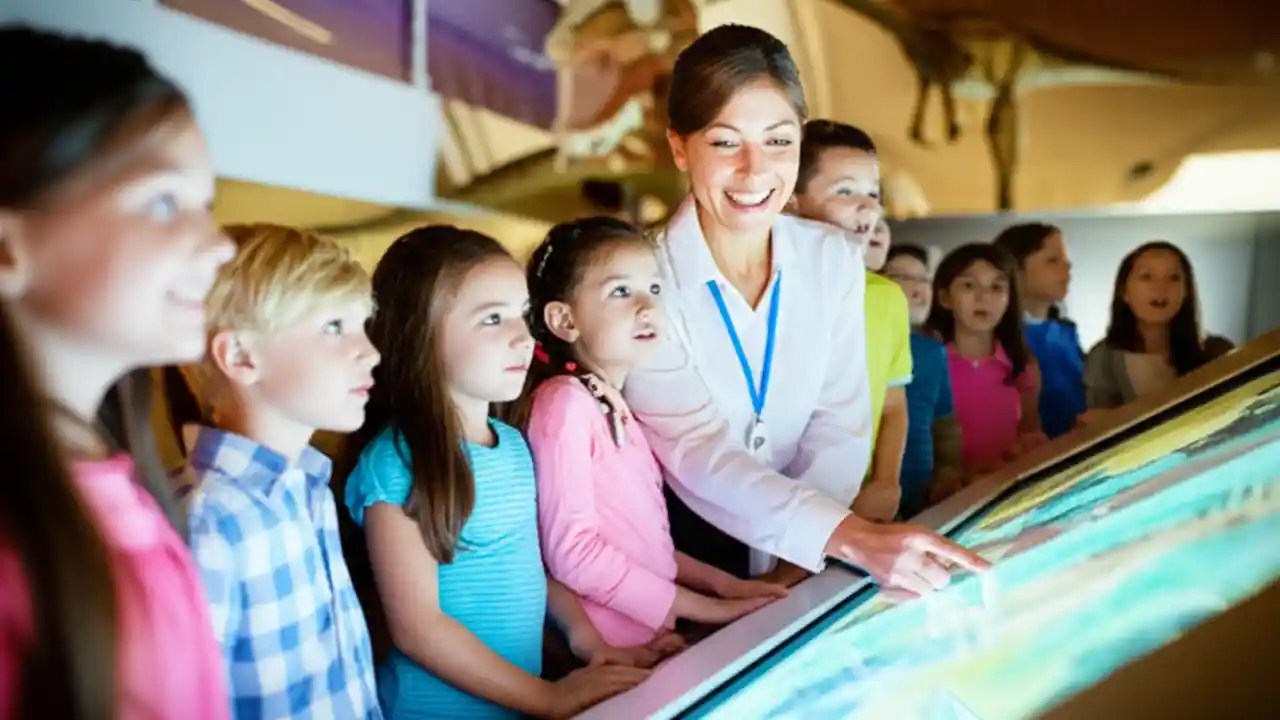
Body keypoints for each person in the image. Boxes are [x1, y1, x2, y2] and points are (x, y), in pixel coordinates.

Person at [622, 24, 989, 598]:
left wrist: (803, 562)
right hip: (690, 573)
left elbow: (841, 422)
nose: (755, 171)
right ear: (678, 147)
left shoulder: (832, 260)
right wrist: (846, 538)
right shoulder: (642, 281)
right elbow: (697, 450)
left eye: (778, 141)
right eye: (725, 143)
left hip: (816, 562)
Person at [0, 27, 231, 718]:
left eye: (206, 206)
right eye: (164, 202)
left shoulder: (115, 480)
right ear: (8, 249)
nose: (221, 245)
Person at [341, 227, 648, 719]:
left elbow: (526, 568)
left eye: (522, 314)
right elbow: (417, 628)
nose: (522, 337)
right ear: (420, 335)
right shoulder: (396, 463)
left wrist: (587, 640)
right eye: (491, 319)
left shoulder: (511, 444)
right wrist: (548, 698)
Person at [512, 217, 786, 651]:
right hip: (609, 650)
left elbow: (642, 547)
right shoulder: (564, 403)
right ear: (564, 319)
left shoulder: (610, 402)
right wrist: (705, 608)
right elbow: (573, 553)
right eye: (621, 291)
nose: (647, 307)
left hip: (647, 636)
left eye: (655, 288)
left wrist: (724, 586)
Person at [175, 224, 383, 717]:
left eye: (362, 326)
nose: (372, 353)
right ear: (241, 356)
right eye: (334, 326)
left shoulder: (307, 487)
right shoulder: (207, 522)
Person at [792, 120, 912, 525]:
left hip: (860, 504)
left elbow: (893, 402)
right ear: (792, 202)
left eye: (873, 194)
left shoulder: (886, 297)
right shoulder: (770, 296)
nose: (868, 207)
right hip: (780, 504)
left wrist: (886, 482)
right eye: (844, 191)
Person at [925, 244, 1046, 480]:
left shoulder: (1023, 367)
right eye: (969, 286)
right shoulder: (927, 363)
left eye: (997, 287)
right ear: (944, 297)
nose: (984, 298)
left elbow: (1030, 434)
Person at [1084, 241, 1234, 411]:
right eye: (1147, 277)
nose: (1160, 288)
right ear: (1124, 292)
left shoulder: (1217, 351)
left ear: (1186, 291)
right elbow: (1099, 420)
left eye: (1173, 278)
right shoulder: (1103, 358)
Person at [883, 245, 963, 516]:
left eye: (924, 279)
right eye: (903, 278)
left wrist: (947, 473)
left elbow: (944, 424)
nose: (918, 289)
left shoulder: (932, 352)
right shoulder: (863, 343)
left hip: (924, 500)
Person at [993, 223, 1085, 438]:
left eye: (1066, 261)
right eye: (1052, 260)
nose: (1067, 268)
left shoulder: (1066, 332)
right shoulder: (995, 339)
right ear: (1015, 269)